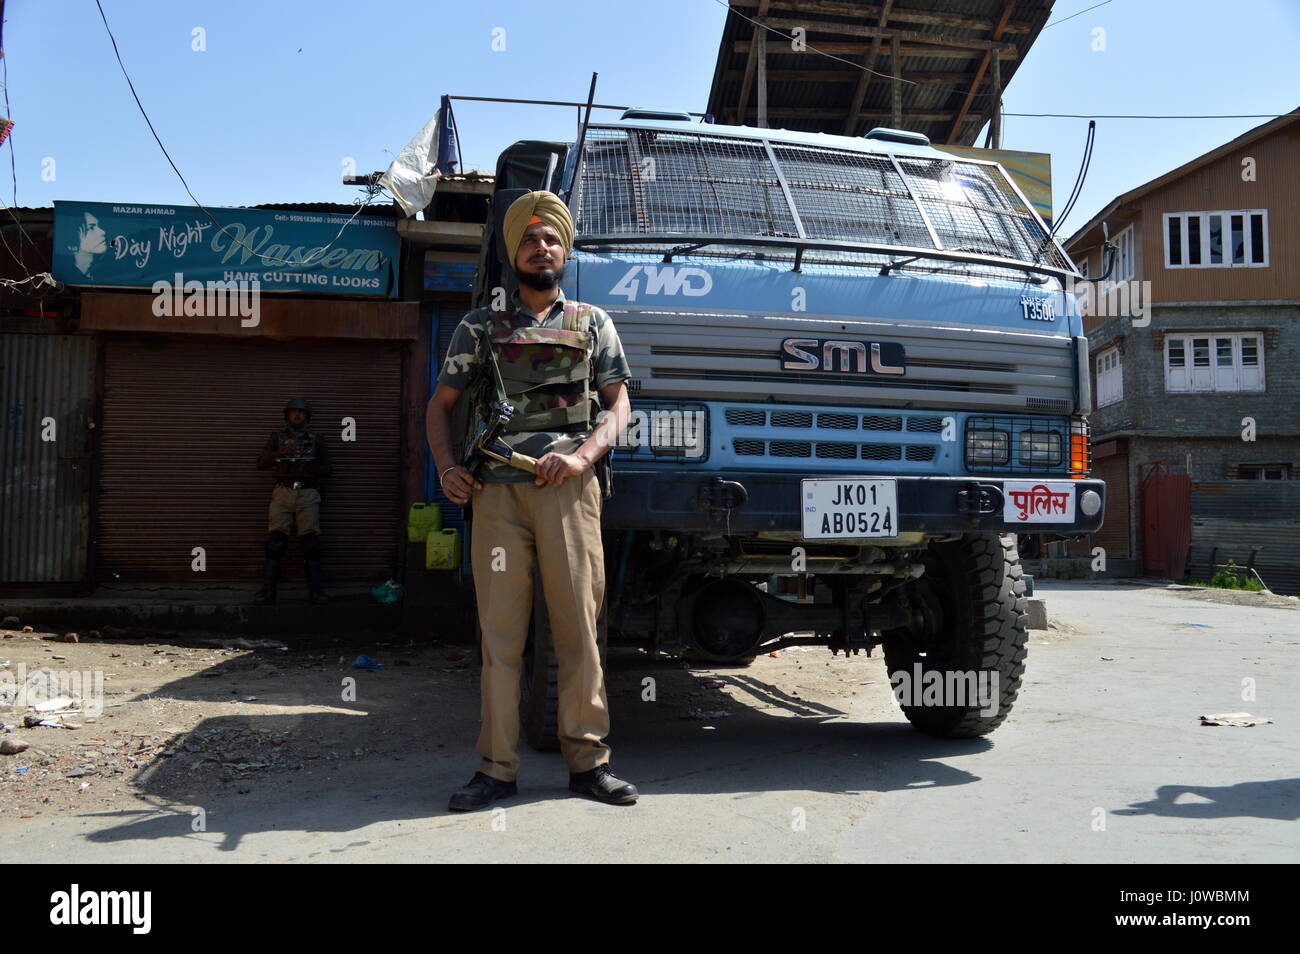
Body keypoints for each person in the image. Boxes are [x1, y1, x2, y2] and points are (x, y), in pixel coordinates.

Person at [426, 190, 637, 811]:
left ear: (564, 251)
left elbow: (620, 405)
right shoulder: (479, 326)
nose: (541, 248)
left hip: (569, 493)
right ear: (511, 251)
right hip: (497, 496)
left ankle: (589, 762)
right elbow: (440, 407)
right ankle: (496, 769)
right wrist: (446, 469)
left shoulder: (593, 323)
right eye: (528, 239)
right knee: (501, 636)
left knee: (578, 630)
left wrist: (580, 457)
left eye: (551, 240)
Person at [253, 398, 332, 604]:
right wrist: (280, 453)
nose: (297, 415)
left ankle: (316, 592)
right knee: (275, 543)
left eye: (301, 412)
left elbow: (329, 469)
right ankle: (268, 592)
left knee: (311, 544)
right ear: (287, 415)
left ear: (307, 416)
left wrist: (314, 467)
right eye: (293, 412)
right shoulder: (277, 438)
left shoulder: (317, 439)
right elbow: (260, 464)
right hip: (283, 491)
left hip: (308, 492)